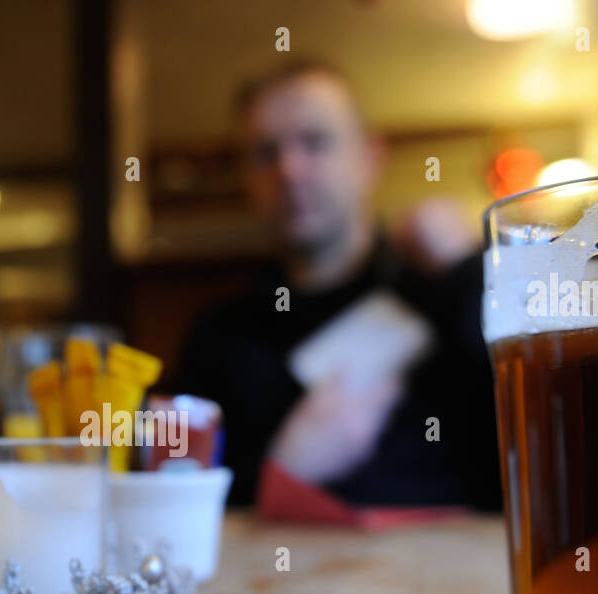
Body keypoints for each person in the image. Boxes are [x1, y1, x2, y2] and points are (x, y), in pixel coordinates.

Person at [173, 61, 501, 525]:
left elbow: (530, 450)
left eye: (315, 141)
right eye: (266, 153)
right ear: (246, 179)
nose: (289, 169)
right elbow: (177, 506)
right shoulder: (219, 337)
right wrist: (282, 471)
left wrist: (472, 271)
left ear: (370, 158)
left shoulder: (446, 296)